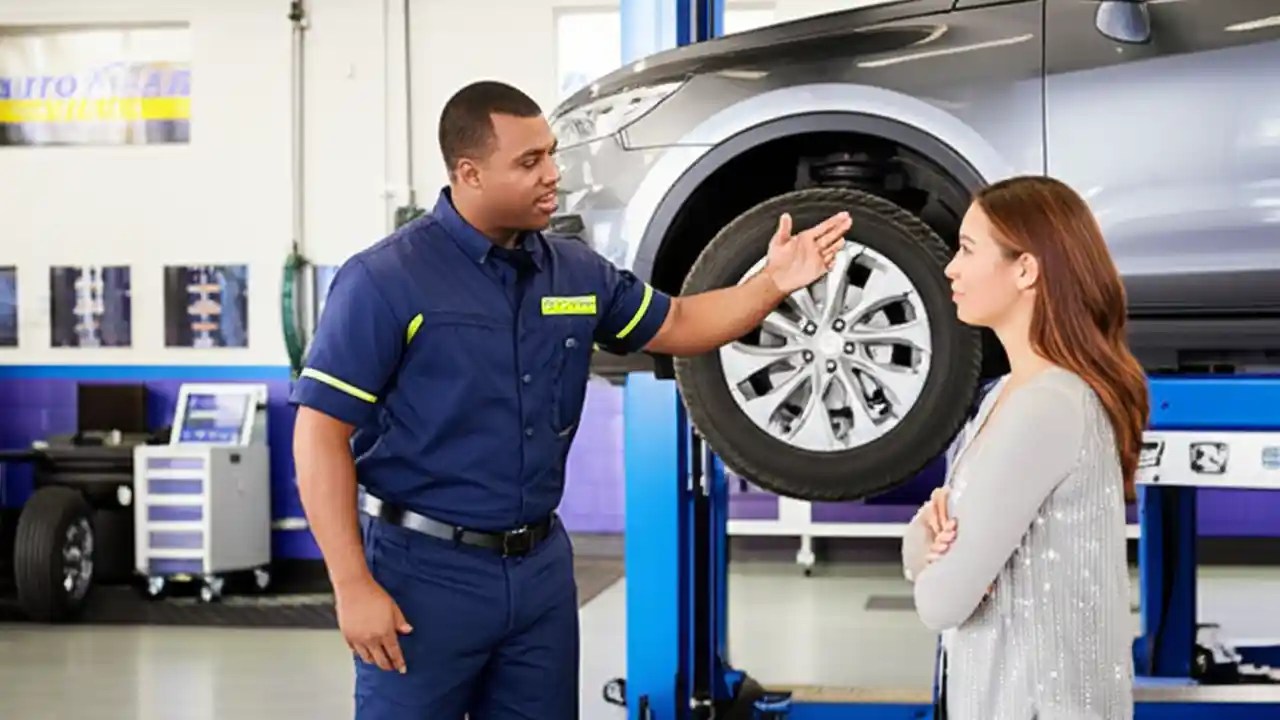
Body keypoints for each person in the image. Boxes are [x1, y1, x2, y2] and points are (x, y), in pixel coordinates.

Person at [289, 80, 852, 720]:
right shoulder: (385, 279)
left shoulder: (575, 272)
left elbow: (680, 325)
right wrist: (352, 585)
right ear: (468, 173)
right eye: (529, 162)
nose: (553, 175)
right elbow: (320, 435)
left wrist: (773, 281)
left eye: (551, 154)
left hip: (540, 577)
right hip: (421, 576)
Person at [900, 175, 1149, 720]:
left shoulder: (1047, 408)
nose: (950, 268)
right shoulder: (1004, 399)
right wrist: (928, 549)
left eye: (967, 249)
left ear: (1026, 269)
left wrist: (935, 561)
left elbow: (940, 602)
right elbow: (927, 550)